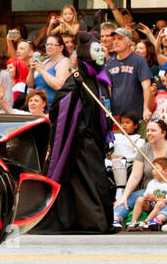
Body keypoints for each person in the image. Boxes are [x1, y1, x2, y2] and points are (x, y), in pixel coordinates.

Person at [32, 31, 117, 233]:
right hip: (79, 142)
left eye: (102, 50)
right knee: (90, 182)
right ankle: (93, 222)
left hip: (94, 141)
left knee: (95, 182)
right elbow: (58, 108)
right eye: (96, 51)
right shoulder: (75, 82)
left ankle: (94, 221)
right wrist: (76, 92)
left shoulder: (101, 81)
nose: (101, 55)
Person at [112, 119, 167, 230]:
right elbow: (135, 176)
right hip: (150, 190)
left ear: (163, 133)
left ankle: (157, 220)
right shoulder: (144, 150)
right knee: (129, 198)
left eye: (153, 130)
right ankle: (116, 219)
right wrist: (124, 195)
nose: (149, 133)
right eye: (147, 130)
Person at [103, 27, 153, 124]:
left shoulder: (139, 60)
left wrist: (146, 109)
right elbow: (107, 90)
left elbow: (146, 86)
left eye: (120, 39)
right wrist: (107, 112)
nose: (116, 42)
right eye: (114, 39)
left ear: (129, 42)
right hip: (117, 116)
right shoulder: (109, 63)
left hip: (136, 116)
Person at [126, 158, 167, 230]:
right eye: (152, 169)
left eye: (156, 169)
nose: (153, 171)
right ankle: (133, 222)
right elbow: (146, 195)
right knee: (140, 199)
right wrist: (147, 197)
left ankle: (145, 222)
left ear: (166, 171)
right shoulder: (152, 183)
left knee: (160, 203)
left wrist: (156, 199)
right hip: (150, 205)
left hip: (161, 208)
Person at [30, 33, 72, 108]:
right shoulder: (45, 62)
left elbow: (59, 85)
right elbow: (30, 84)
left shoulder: (65, 61)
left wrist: (42, 71)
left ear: (61, 48)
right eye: (47, 44)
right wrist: (31, 70)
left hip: (53, 108)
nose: (49, 47)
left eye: (52, 44)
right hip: (37, 107)